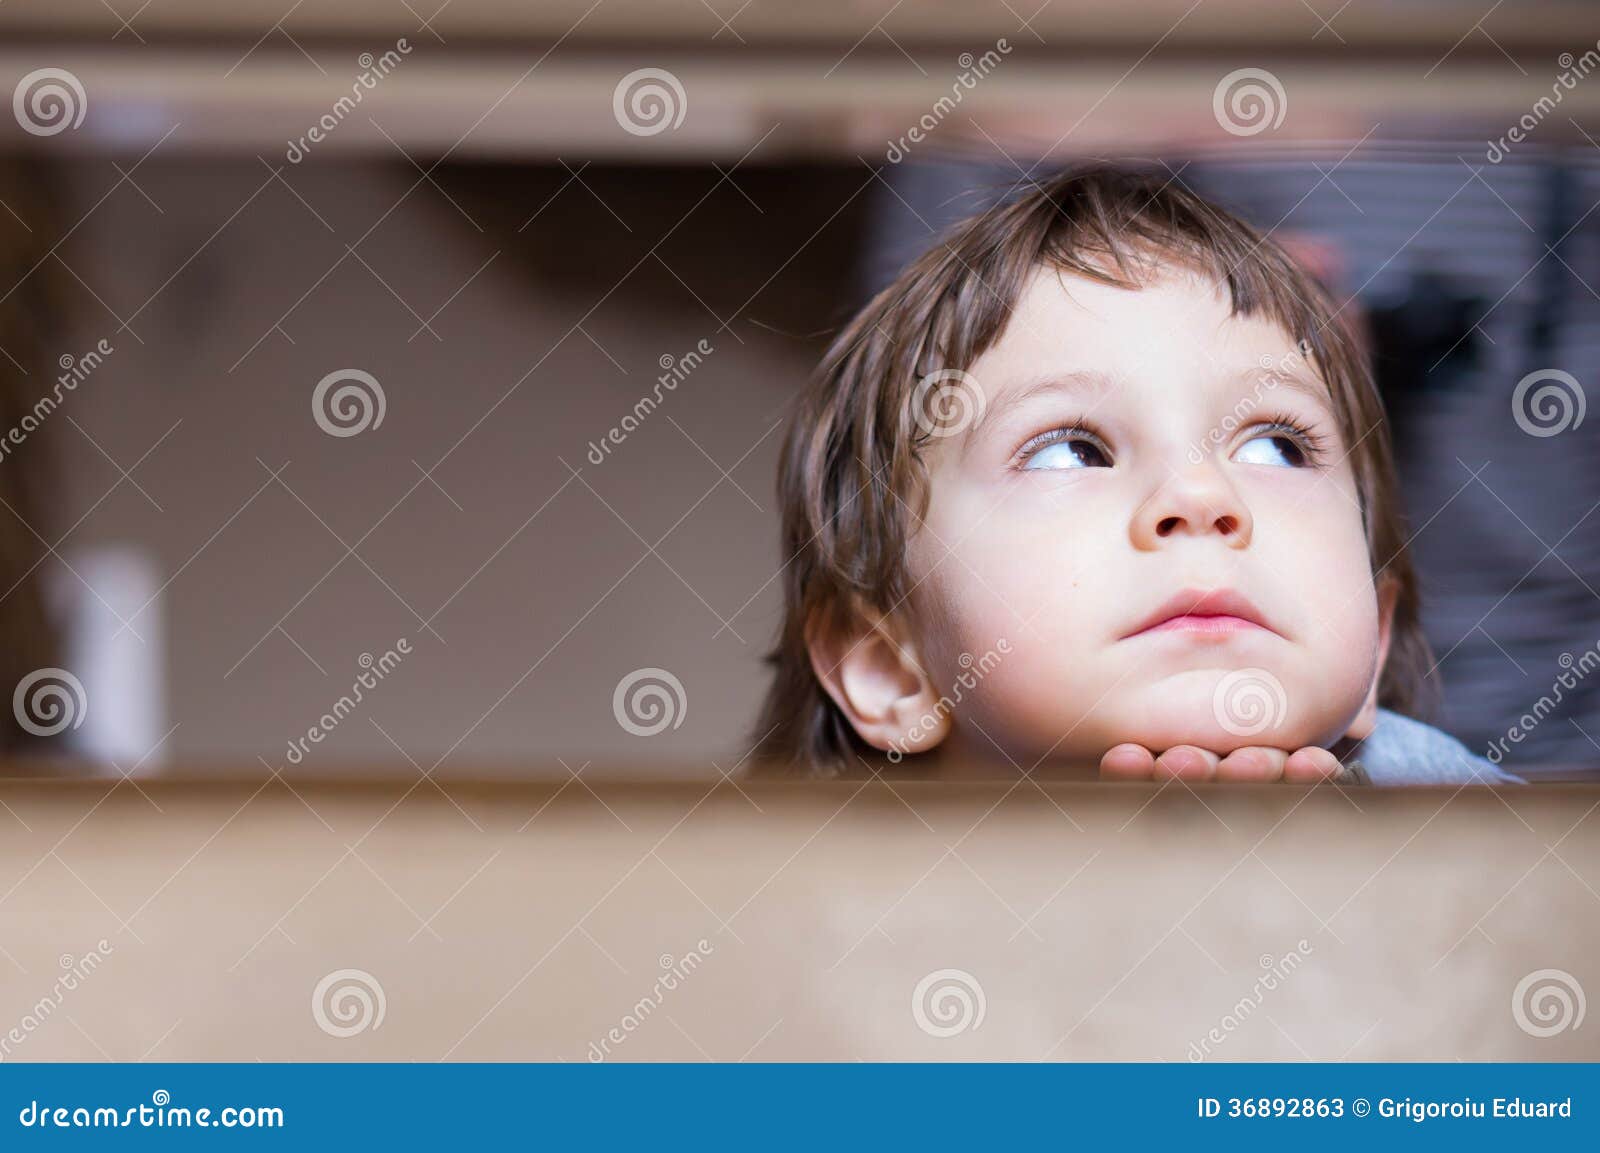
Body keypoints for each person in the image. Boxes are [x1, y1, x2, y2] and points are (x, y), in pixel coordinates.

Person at [751, 166, 1517, 785]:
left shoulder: (1472, 832)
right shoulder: (822, 932)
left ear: (1376, 642)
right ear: (888, 667)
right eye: (1071, 449)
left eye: (1276, 445)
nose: (1201, 497)